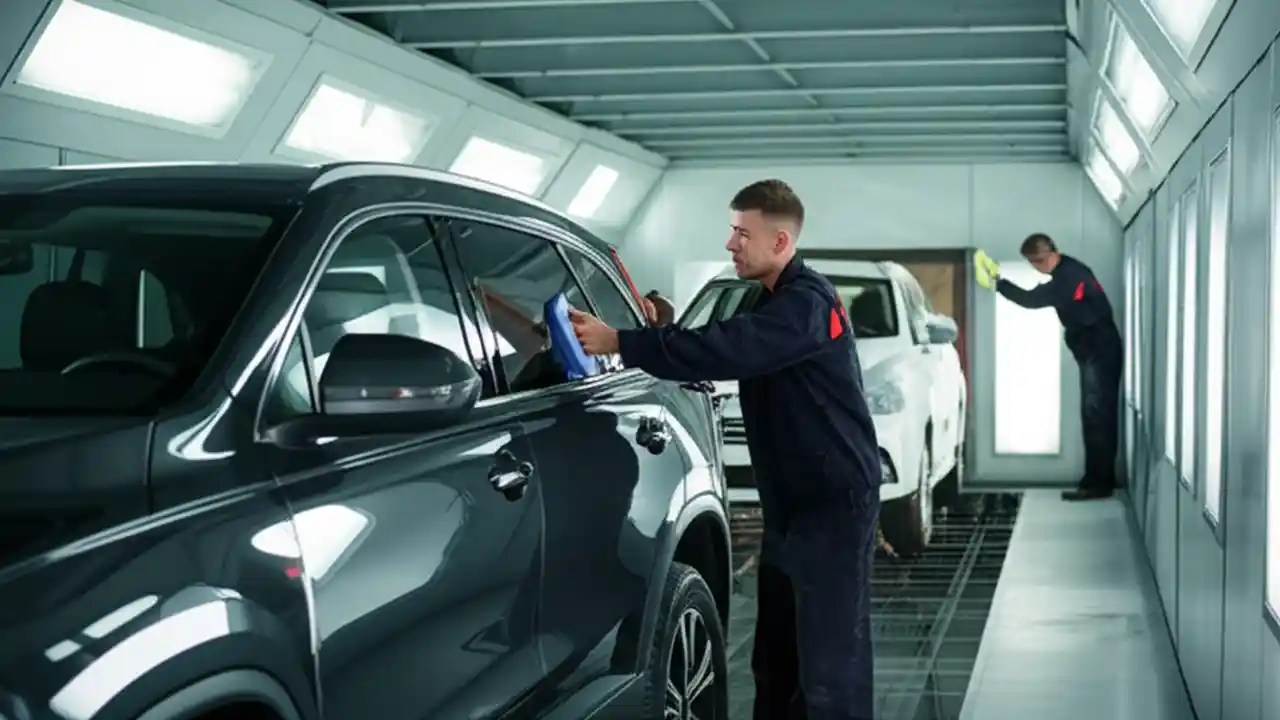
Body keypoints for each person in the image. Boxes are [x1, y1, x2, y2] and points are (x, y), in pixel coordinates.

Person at [570, 179, 882, 720]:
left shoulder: (806, 304)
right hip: (793, 502)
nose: (730, 243)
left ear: (781, 242)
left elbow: (728, 349)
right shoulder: (773, 299)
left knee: (831, 668)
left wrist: (622, 341)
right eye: (732, 231)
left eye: (742, 233)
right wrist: (662, 327)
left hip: (832, 505)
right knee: (777, 660)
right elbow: (720, 339)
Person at [977, 233, 1122, 501]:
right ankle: (1094, 480)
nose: (1037, 266)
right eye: (1032, 263)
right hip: (1095, 350)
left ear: (1053, 252)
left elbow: (1031, 300)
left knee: (1097, 416)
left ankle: (1100, 484)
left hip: (1099, 351)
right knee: (1094, 415)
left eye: (1040, 260)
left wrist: (999, 284)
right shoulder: (1068, 271)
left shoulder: (1068, 276)